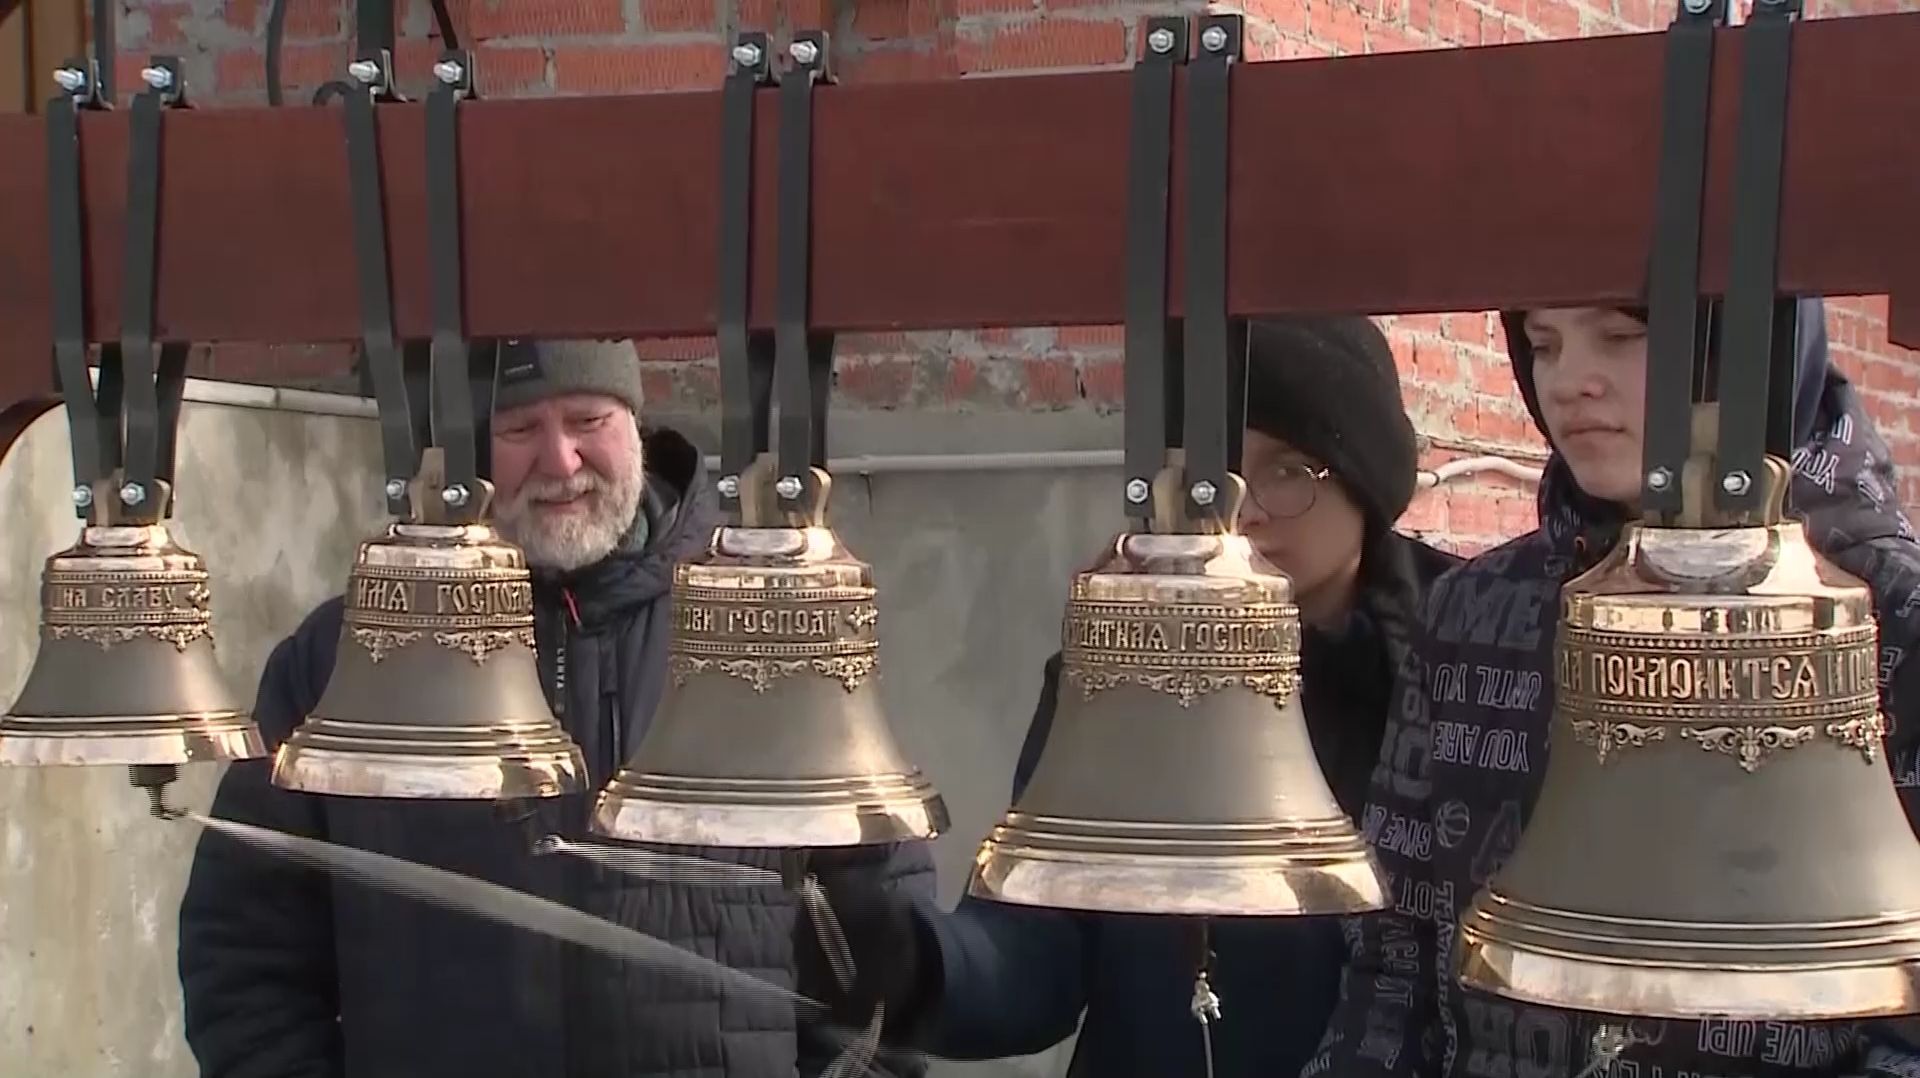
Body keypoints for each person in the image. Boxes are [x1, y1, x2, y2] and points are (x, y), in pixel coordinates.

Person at [175, 339, 936, 1078]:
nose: (561, 461)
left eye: (587, 421)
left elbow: (883, 928)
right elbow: (245, 949)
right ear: (470, 445)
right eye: (519, 429)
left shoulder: (769, 632)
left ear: (634, 425)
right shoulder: (344, 662)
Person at [830, 315, 1462, 1078]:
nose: (1242, 509)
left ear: (1366, 479)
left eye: (1289, 469)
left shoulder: (1468, 649)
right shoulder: (1118, 659)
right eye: (1207, 474)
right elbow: (1037, 952)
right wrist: (914, 963)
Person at [1303, 299, 1920, 1078]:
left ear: (1748, 351)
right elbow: (1395, 959)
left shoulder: (1892, 618)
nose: (1569, 383)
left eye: (1622, 337)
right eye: (1544, 346)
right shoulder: (1473, 610)